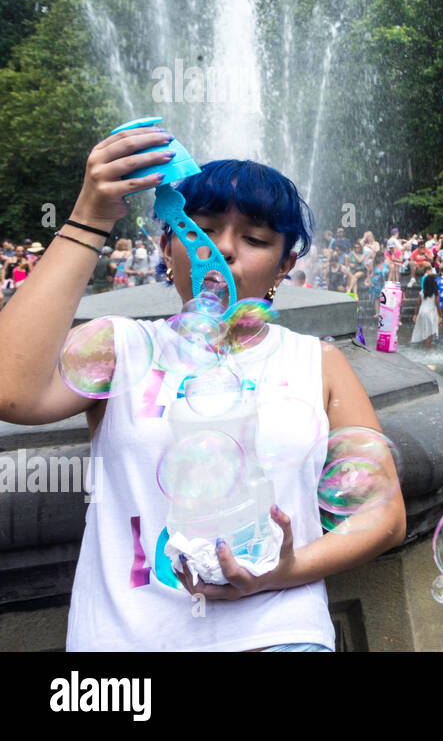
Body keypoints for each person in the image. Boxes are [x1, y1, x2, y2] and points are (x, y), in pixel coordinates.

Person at [0, 132, 404, 650]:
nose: (225, 250)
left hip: (278, 635)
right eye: (203, 230)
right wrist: (91, 214)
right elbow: (12, 391)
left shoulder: (317, 362)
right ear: (168, 247)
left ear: (285, 266)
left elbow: (382, 515)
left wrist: (279, 572)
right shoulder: (122, 345)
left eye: (256, 239)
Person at [412, 270, 441, 347]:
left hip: (421, 313)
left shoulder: (422, 292)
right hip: (430, 313)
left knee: (423, 329)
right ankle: (427, 349)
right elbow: (438, 304)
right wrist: (440, 316)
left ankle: (422, 346)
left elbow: (418, 304)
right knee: (429, 332)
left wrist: (415, 314)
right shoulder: (436, 293)